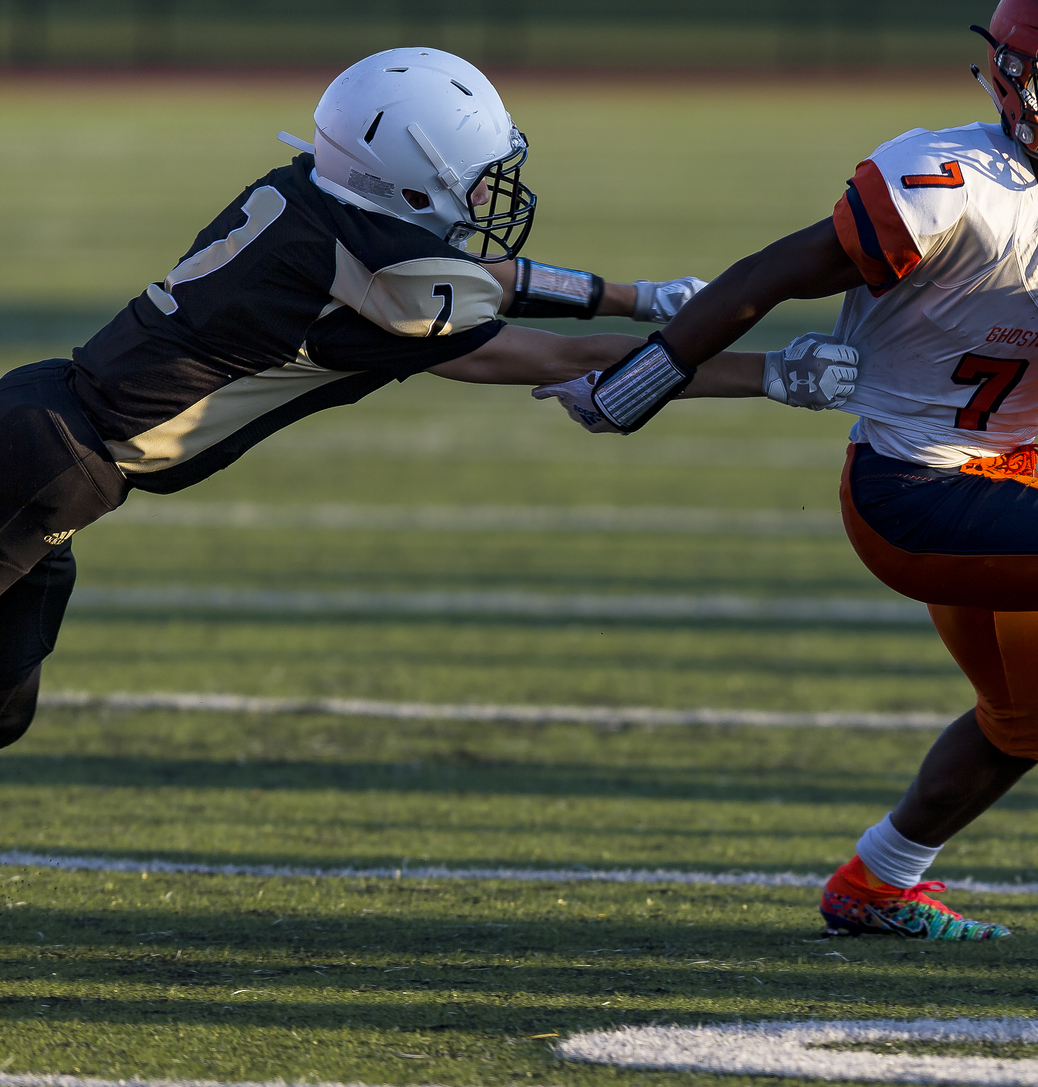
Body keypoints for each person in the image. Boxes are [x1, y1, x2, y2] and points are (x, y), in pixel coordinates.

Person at [547, 0, 1038, 938]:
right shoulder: (951, 185)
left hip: (1003, 480)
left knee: (1036, 719)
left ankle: (877, 880)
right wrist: (645, 380)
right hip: (905, 487)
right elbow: (771, 273)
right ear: (1011, 85)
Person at [0, 48, 856, 754]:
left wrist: (642, 294)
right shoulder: (396, 283)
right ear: (410, 179)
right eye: (479, 179)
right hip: (59, 467)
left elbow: (477, 284)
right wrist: (775, 373)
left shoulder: (309, 194)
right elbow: (575, 359)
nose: (491, 196)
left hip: (45, 424)